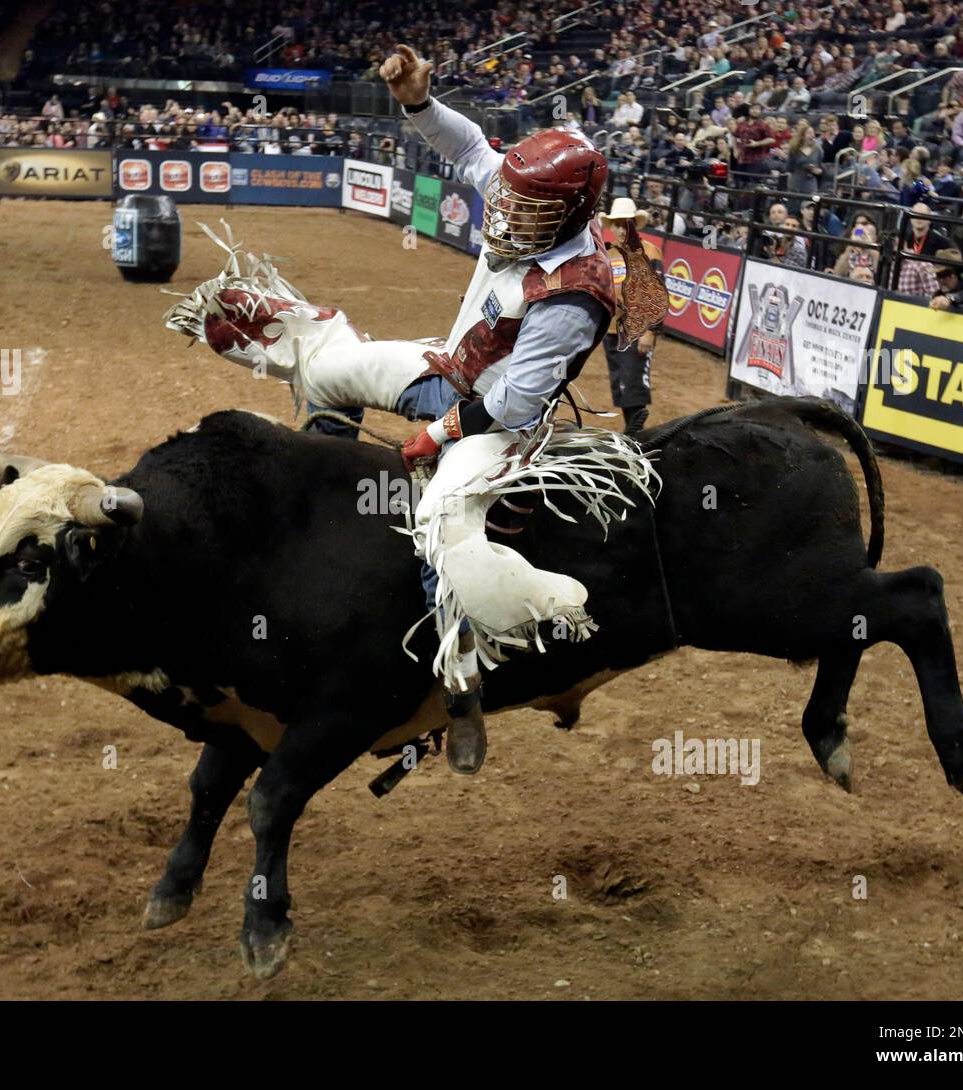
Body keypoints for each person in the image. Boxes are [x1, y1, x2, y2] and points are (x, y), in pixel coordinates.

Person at [165, 45, 646, 775]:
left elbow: (516, 403)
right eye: (508, 198)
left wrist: (436, 435)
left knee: (445, 524)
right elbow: (473, 148)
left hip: (500, 423)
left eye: (525, 207)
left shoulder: (575, 294)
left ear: (568, 213)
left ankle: (458, 684)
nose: (504, 211)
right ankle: (314, 500)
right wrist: (419, 102)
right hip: (446, 364)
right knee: (326, 373)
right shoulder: (530, 200)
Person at [599, 198, 665, 433]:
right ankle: (633, 432)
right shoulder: (608, 253)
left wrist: (650, 333)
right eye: (615, 224)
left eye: (624, 224)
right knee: (621, 386)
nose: (619, 229)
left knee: (633, 386)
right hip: (612, 331)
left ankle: (636, 435)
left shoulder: (649, 252)